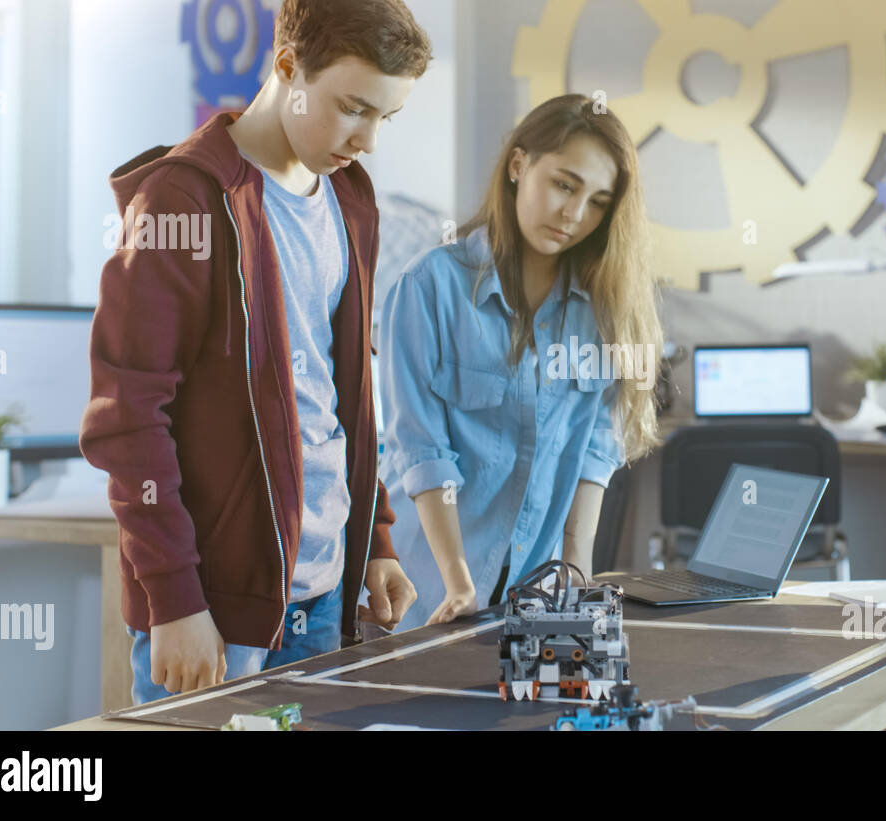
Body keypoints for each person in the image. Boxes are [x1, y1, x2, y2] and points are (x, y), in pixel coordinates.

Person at [79, 0, 431, 704]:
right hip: (213, 606)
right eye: (353, 108)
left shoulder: (351, 199)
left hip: (324, 593)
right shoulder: (180, 201)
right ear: (288, 67)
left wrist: (377, 541)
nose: (368, 141)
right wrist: (173, 598)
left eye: (384, 119)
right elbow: (128, 419)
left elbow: (344, 395)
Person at [378, 94, 664, 632]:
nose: (575, 215)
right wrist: (458, 579)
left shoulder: (603, 310)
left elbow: (592, 457)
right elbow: (421, 451)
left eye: (599, 202)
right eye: (564, 184)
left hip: (533, 597)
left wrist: (578, 579)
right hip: (423, 590)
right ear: (518, 165)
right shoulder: (428, 287)